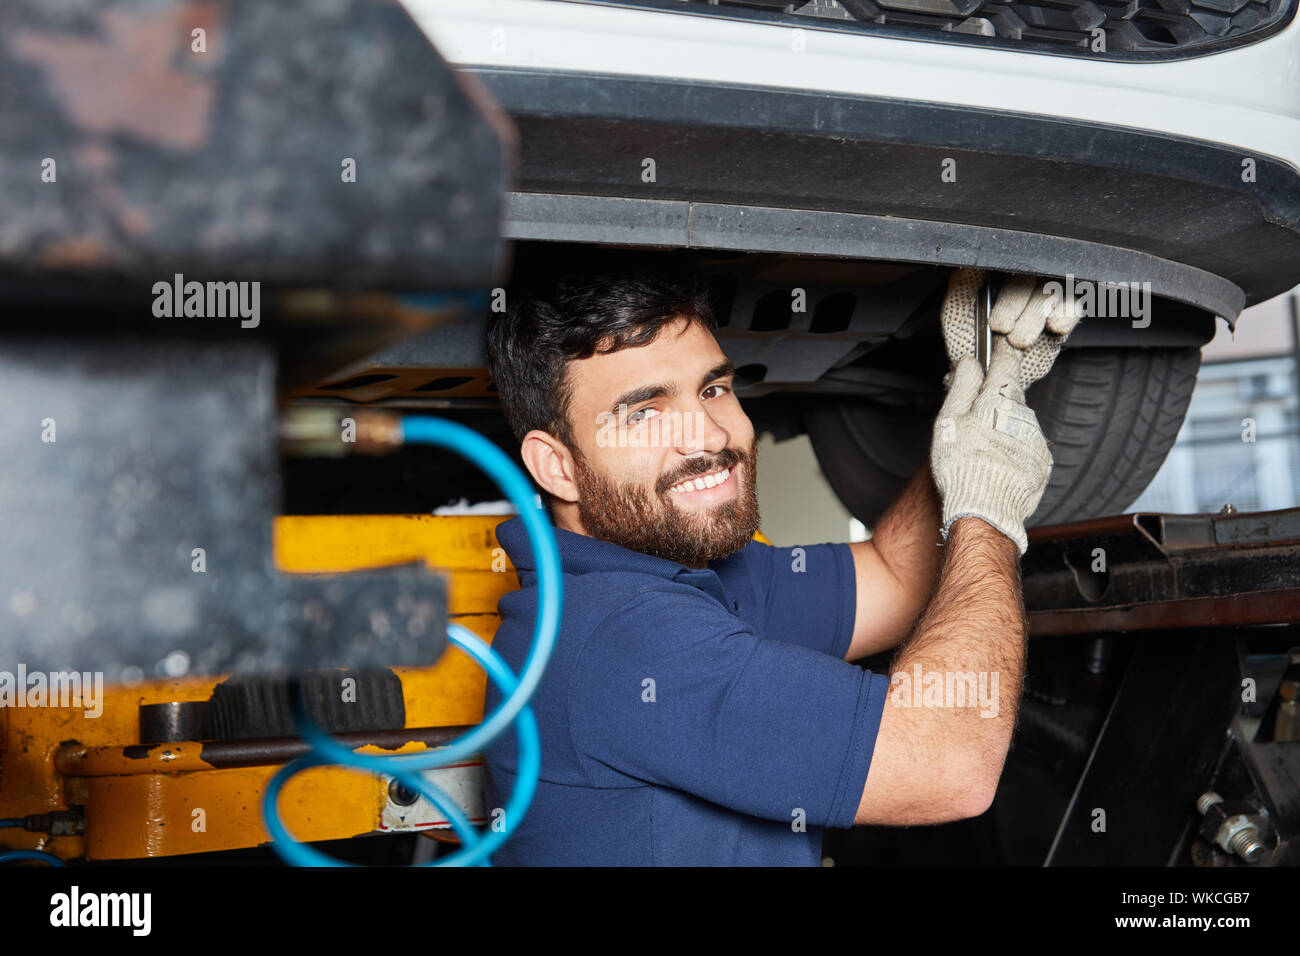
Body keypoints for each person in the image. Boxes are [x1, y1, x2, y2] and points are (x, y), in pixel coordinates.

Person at [480, 266, 1079, 865]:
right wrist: (988, 513)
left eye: (712, 390)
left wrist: (979, 393)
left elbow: (895, 579)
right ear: (557, 467)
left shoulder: (675, 575)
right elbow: (950, 762)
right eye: (645, 412)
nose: (710, 436)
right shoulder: (622, 640)